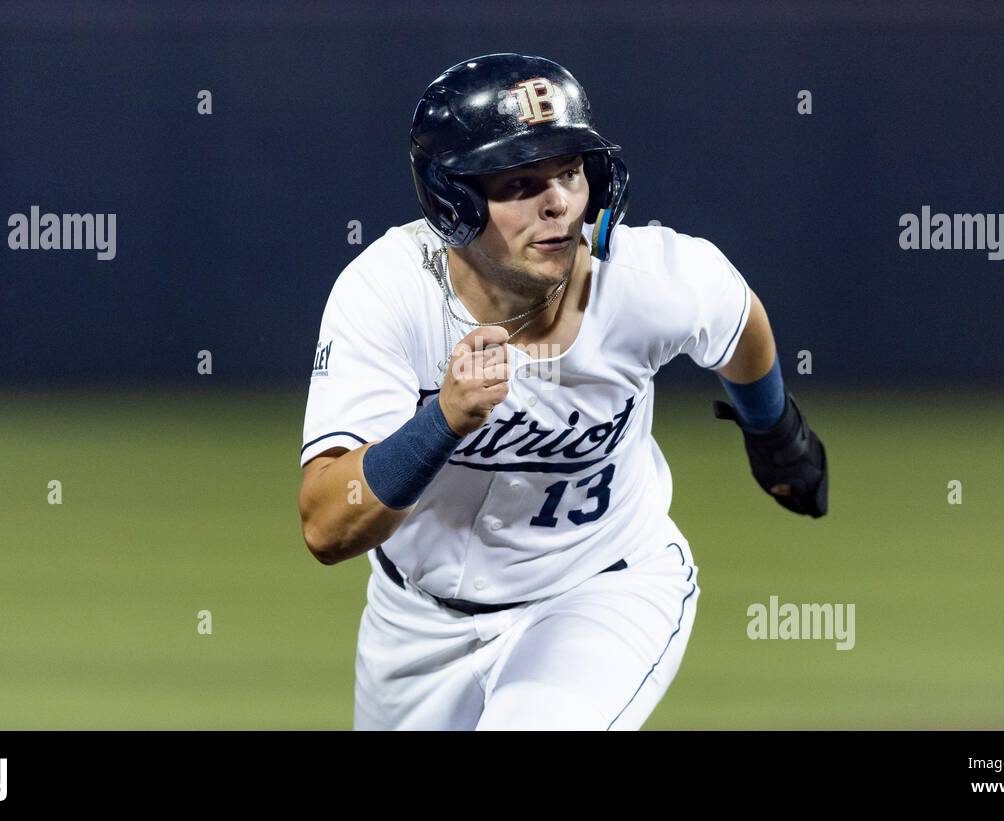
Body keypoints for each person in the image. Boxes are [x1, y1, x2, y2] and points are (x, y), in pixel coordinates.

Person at [298, 53, 828, 730]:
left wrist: (774, 432)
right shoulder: (389, 293)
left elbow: (738, 317)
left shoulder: (648, 278)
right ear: (454, 201)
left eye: (570, 172)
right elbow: (325, 521)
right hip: (414, 627)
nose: (558, 202)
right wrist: (442, 422)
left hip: (600, 591)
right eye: (521, 181)